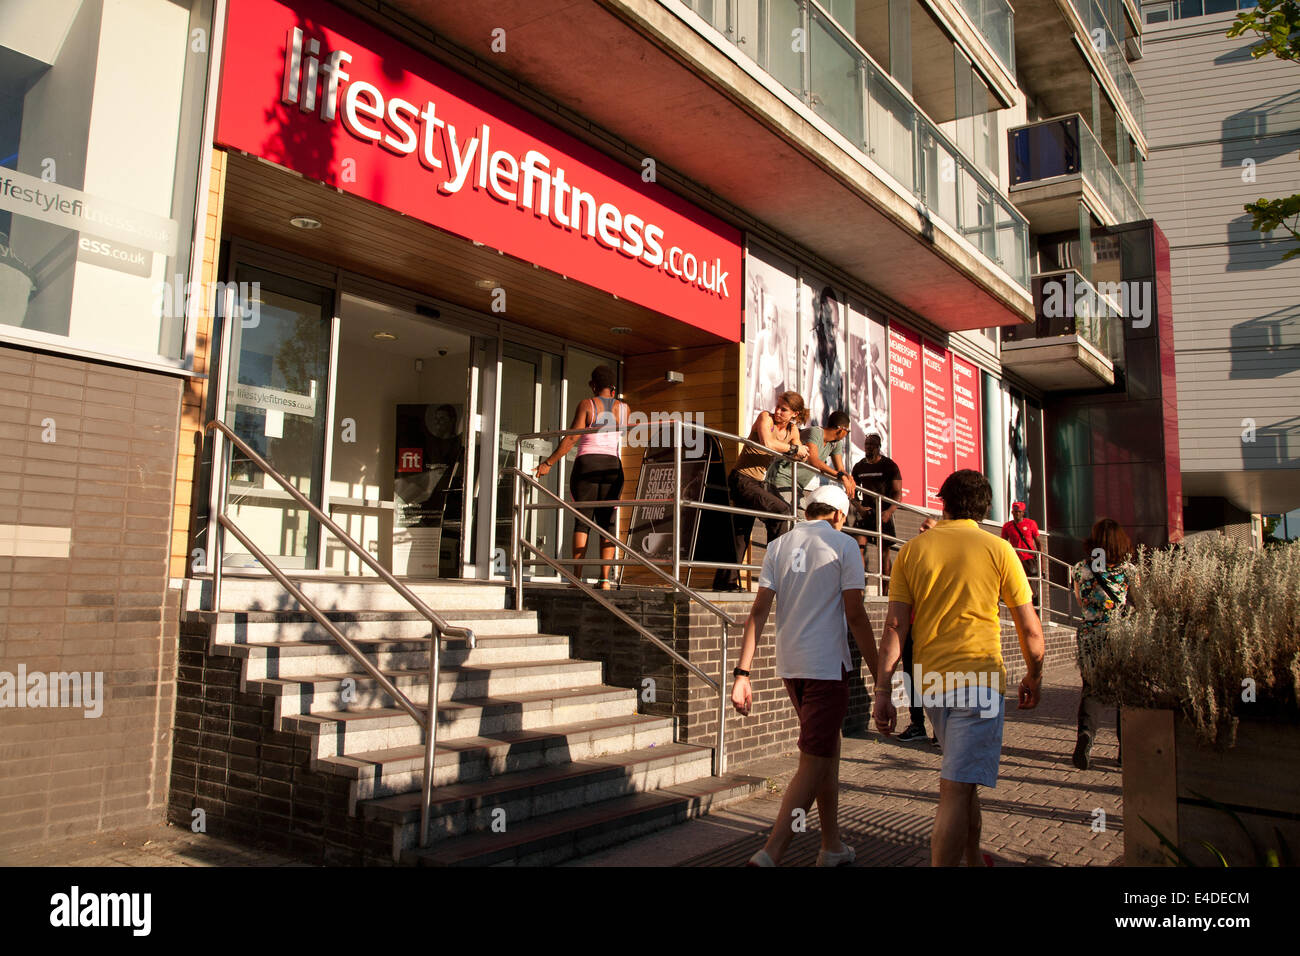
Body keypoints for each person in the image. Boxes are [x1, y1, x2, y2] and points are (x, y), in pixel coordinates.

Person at [872, 470, 1045, 867]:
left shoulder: (913, 551)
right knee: (954, 789)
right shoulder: (998, 549)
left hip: (931, 682)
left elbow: (896, 626)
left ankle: (972, 857)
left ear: (943, 502)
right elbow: (1031, 630)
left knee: (965, 783)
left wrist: (884, 691)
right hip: (980, 682)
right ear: (985, 509)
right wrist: (1035, 675)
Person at [730, 484, 878, 867]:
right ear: (840, 516)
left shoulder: (778, 545)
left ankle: (831, 846)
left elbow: (758, 612)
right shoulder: (844, 545)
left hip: (791, 668)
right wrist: (882, 676)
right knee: (813, 763)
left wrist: (742, 674)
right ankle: (771, 852)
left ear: (808, 509)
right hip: (828, 668)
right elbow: (856, 615)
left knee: (826, 751)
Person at [535, 365, 628, 590]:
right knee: (607, 523)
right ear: (613, 388)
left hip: (587, 464)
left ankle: (576, 579)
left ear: (593, 385)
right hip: (613, 466)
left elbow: (571, 438)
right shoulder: (624, 408)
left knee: (582, 521)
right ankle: (605, 580)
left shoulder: (587, 404)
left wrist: (548, 462)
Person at [712, 392, 810, 591]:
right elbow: (767, 443)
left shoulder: (792, 431)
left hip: (758, 483)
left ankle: (724, 582)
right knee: (782, 512)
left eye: (784, 409)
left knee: (740, 532)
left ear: (795, 414)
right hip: (742, 479)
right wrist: (794, 450)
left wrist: (802, 452)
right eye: (778, 406)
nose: (778, 411)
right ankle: (775, 573)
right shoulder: (765, 418)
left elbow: (801, 453)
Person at [1070, 518, 1136, 770]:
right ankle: (1125, 750)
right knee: (1123, 691)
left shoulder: (1080, 568)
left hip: (1089, 633)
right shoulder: (1128, 571)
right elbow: (1137, 603)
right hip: (1120, 634)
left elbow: (1080, 601)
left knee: (1092, 688)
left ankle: (1086, 734)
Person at [846, 433, 902, 589]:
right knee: (858, 547)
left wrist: (889, 512)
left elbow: (898, 493)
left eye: (872, 445)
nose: (869, 447)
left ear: (879, 447)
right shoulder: (859, 466)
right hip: (867, 513)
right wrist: (858, 507)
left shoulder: (889, 465)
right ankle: (859, 587)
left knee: (884, 554)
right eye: (867, 444)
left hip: (884, 513)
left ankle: (885, 593)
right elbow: (850, 490)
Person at [793, 411, 856, 501]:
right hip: (784, 477)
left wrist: (848, 477)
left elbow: (840, 469)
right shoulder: (815, 432)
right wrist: (840, 476)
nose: (847, 435)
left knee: (804, 513)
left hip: (798, 485)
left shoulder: (836, 444)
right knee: (798, 514)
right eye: (848, 431)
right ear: (842, 430)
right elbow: (813, 460)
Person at [1001, 501, 1041, 585]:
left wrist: (1041, 562)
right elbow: (1003, 543)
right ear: (1012, 512)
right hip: (1015, 558)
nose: (1017, 514)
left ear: (1023, 513)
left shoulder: (1031, 523)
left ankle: (1034, 598)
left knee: (1032, 584)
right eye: (1015, 512)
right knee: (1017, 583)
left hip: (1029, 558)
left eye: (1019, 512)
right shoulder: (1007, 526)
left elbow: (1038, 543)